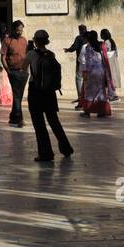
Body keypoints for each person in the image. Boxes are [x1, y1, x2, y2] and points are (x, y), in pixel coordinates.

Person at [28, 30, 73, 162]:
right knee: (54, 121)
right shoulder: (51, 54)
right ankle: (66, 148)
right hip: (49, 92)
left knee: (39, 124)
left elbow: (22, 66)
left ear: (35, 41)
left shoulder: (31, 54)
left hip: (35, 91)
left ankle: (45, 153)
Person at [1, 20, 30, 127]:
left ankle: (13, 117)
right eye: (18, 30)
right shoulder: (7, 40)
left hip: (24, 72)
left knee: (19, 95)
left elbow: (27, 55)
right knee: (17, 95)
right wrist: (8, 71)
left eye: (21, 30)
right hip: (13, 71)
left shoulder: (24, 40)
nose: (20, 32)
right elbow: (3, 57)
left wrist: (26, 70)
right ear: (13, 29)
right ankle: (19, 118)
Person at [79, 29, 114, 117]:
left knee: (89, 92)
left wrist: (85, 72)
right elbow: (104, 58)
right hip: (101, 71)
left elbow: (87, 61)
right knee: (100, 92)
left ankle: (87, 111)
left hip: (91, 72)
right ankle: (101, 111)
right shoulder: (102, 45)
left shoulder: (88, 47)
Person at [64, 24, 88, 108]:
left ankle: (80, 98)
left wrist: (68, 50)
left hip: (81, 64)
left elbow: (74, 47)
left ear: (80, 30)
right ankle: (87, 99)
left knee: (79, 79)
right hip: (90, 64)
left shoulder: (79, 37)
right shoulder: (90, 37)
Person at [99, 28, 121, 104]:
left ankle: (113, 96)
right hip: (113, 62)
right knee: (110, 79)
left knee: (109, 79)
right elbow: (116, 53)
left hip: (109, 63)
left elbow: (105, 53)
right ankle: (112, 95)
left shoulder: (106, 43)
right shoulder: (112, 41)